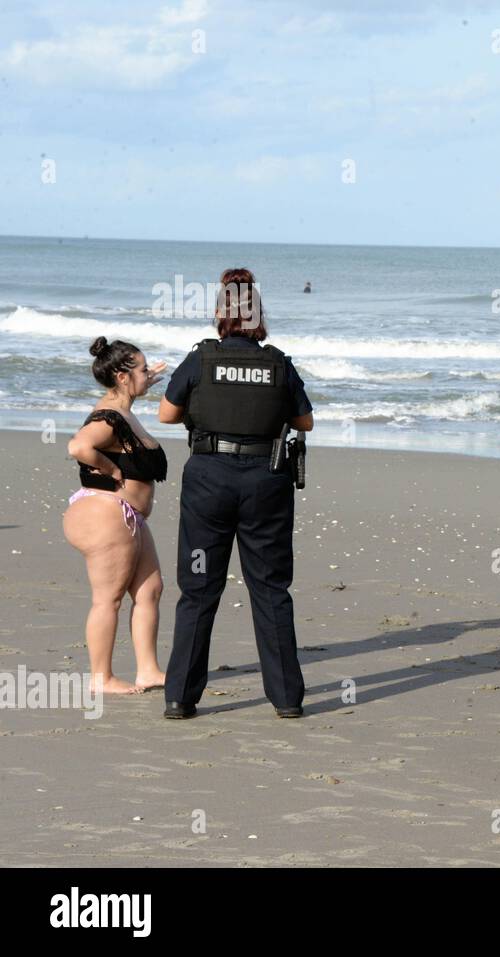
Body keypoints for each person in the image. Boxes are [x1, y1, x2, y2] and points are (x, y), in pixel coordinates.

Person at [157, 268, 315, 720]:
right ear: (258, 316)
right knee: (270, 588)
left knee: (198, 589)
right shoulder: (279, 362)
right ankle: (286, 699)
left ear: (221, 315)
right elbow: (305, 422)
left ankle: (180, 698)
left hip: (209, 477)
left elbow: (168, 414)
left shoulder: (201, 359)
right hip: (266, 480)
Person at [63, 337, 170, 695]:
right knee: (108, 597)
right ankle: (101, 677)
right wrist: (111, 469)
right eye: (143, 368)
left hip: (129, 517)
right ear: (122, 378)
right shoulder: (108, 415)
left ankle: (149, 671)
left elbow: (127, 395)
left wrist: (142, 380)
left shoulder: (123, 406)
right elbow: (78, 446)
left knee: (150, 589)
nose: (149, 372)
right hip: (105, 514)